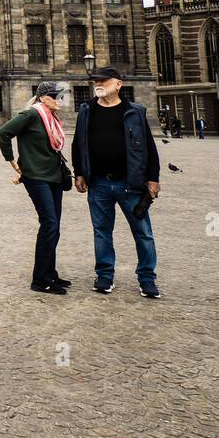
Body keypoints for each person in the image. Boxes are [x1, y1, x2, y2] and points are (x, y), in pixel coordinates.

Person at [71, 66, 162, 298]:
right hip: (99, 183)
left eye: (103, 81)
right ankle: (104, 275)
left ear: (118, 84)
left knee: (143, 233)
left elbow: (149, 148)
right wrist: (79, 172)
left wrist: (153, 178)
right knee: (101, 232)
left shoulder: (134, 111)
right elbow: (78, 143)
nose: (98, 84)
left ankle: (147, 278)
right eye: (95, 81)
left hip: (130, 184)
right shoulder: (86, 110)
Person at [0, 82, 74, 295]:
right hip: (36, 177)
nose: (59, 100)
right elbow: (3, 132)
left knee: (55, 225)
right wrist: (12, 161)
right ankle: (40, 280)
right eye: (55, 96)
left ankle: (50, 272)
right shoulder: (30, 114)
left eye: (60, 96)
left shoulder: (52, 119)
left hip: (54, 177)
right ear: (42, 98)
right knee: (49, 224)